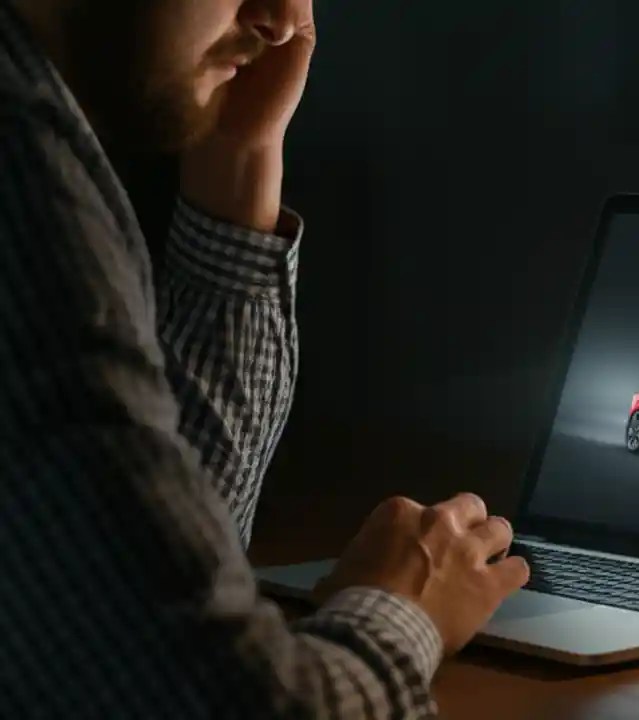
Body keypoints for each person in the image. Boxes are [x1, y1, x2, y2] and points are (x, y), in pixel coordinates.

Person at [0, 0, 528, 716]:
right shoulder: (23, 177)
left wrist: (240, 152)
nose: (284, 18)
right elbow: (228, 702)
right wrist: (406, 609)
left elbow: (156, 568)